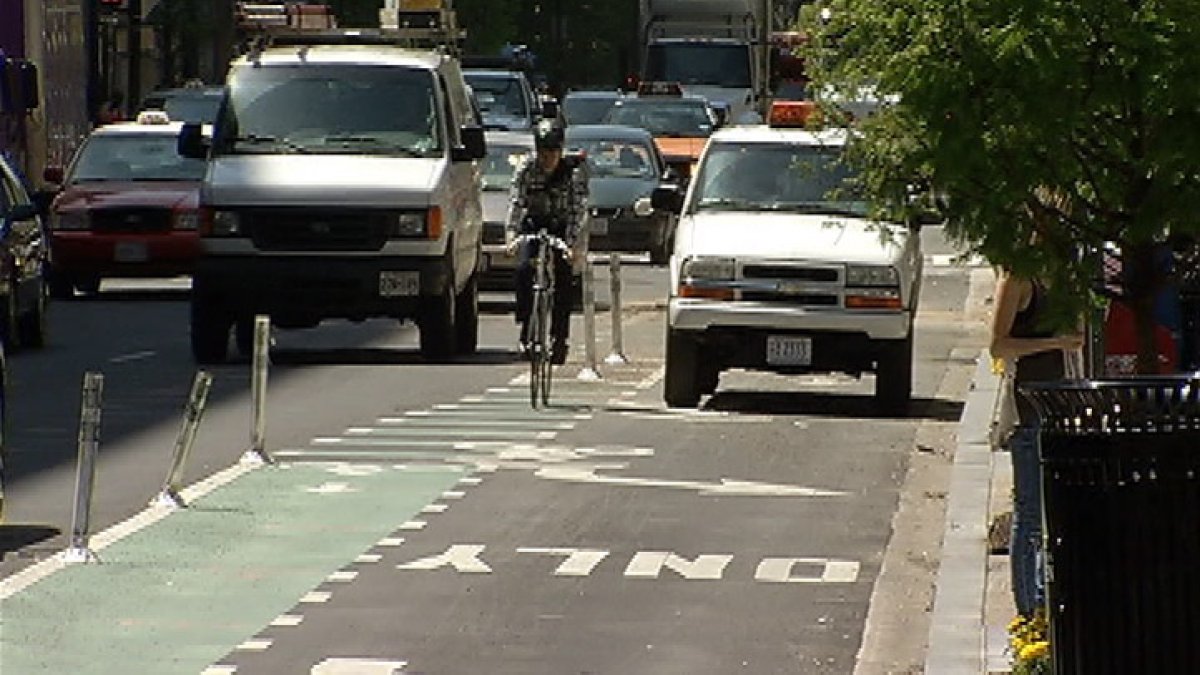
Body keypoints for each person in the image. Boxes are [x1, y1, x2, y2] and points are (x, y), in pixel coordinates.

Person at [990, 267, 1084, 617]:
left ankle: (1045, 601)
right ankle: (1029, 610)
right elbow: (998, 345)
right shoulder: (1018, 278)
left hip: (1060, 410)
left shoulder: (1063, 276)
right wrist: (1055, 342)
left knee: (1053, 511)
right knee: (1029, 512)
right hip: (1028, 411)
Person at [505, 118, 589, 364]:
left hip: (561, 226)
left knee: (564, 277)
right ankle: (526, 326)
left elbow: (577, 211)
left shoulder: (573, 173)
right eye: (543, 152)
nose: (548, 159)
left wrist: (570, 245)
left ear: (560, 151)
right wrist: (511, 236)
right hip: (533, 223)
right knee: (524, 269)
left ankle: (559, 338)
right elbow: (516, 203)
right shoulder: (526, 169)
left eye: (553, 152)